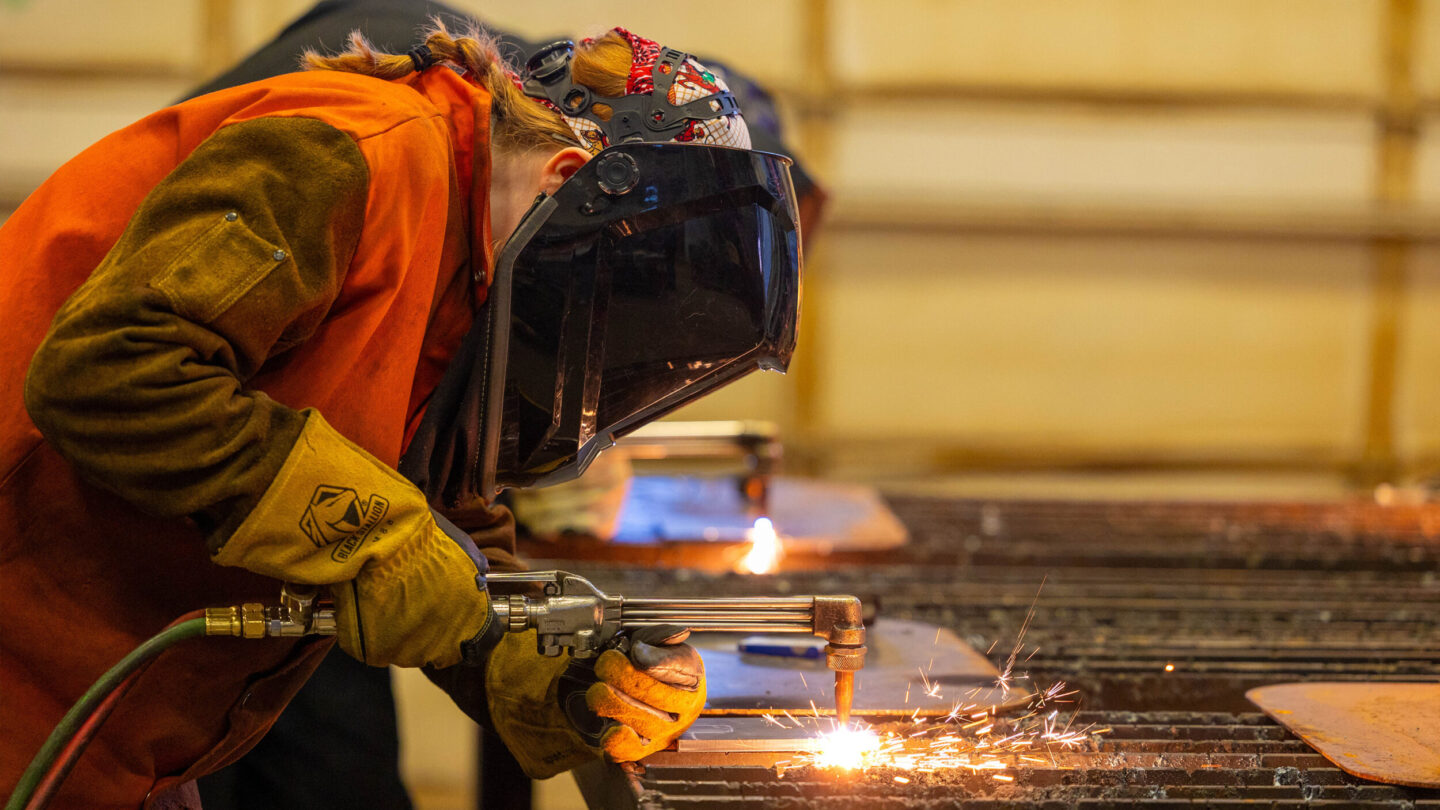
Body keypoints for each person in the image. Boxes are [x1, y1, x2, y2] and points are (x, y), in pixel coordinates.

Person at [0, 20, 802, 809]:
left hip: (116, 735)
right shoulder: (344, 156)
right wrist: (371, 537)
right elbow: (110, 369)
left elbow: (437, 513)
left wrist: (552, 662)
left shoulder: (469, 265)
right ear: (566, 180)